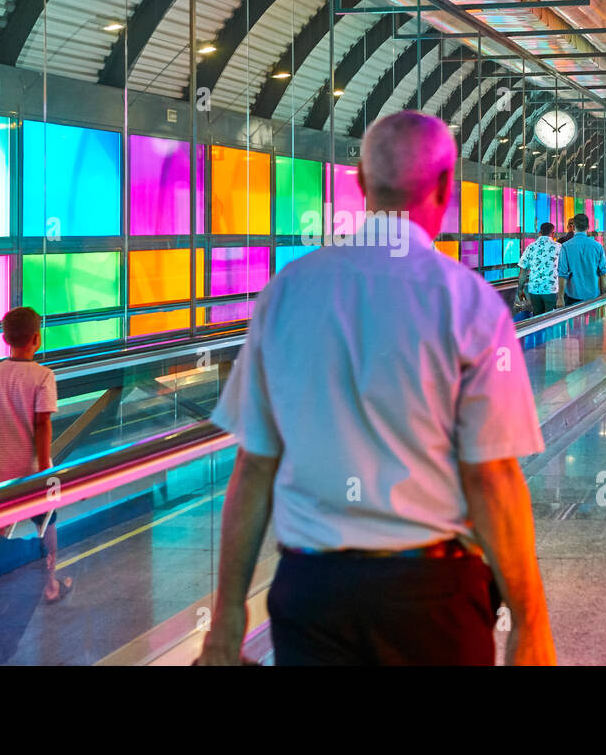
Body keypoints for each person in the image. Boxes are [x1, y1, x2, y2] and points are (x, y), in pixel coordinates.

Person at [198, 110, 555, 667]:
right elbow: (492, 477)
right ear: (444, 186)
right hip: (432, 599)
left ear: (361, 184)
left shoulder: (286, 294)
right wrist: (531, 626)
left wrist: (225, 625)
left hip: (311, 596)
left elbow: (254, 467)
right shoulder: (470, 303)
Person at [0, 306, 72, 604]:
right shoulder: (43, 376)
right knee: (47, 524)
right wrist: (45, 469)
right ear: (36, 338)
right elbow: (43, 422)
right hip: (32, 471)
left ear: (5, 338)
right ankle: (49, 585)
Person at [558, 212, 606, 307]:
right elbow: (604, 274)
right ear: (588, 227)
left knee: (572, 321)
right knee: (594, 321)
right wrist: (603, 294)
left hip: (573, 296)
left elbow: (562, 274)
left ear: (573, 227)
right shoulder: (598, 246)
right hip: (593, 295)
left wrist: (560, 298)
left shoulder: (565, 247)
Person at [518, 222, 562, 315]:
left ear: (539, 233)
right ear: (553, 233)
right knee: (551, 319)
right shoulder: (558, 247)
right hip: (551, 289)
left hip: (534, 290)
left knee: (537, 318)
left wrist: (520, 289)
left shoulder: (531, 247)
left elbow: (523, 270)